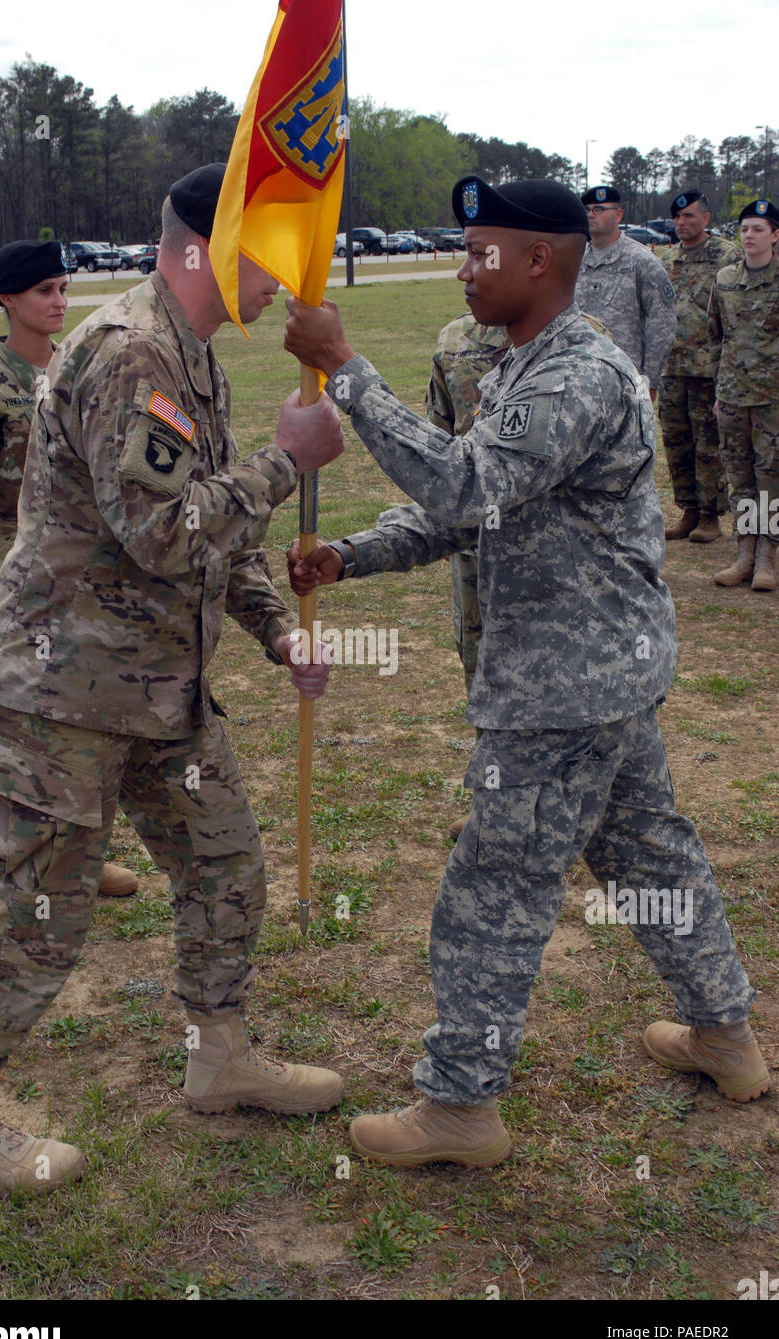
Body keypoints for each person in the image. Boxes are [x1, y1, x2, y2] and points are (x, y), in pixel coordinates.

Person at [284, 176, 769, 1170]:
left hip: (561, 687)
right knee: (649, 859)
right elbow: (473, 505)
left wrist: (345, 368)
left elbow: (465, 479)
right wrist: (351, 553)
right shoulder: (528, 366)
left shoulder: (581, 374)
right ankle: (724, 1031)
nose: (464, 270)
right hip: (598, 679)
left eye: (480, 254)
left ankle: (460, 1103)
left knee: (491, 886)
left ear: (538, 261)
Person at [0, 164, 346, 1196]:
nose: (285, 275)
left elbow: (217, 534)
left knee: (226, 865)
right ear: (209, 245)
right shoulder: (128, 350)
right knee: (38, 915)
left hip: (161, 694)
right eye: (269, 248)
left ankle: (220, 1051)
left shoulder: (193, 358)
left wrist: (278, 633)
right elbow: (164, 531)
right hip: (64, 700)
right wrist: (287, 462)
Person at [0, 239, 138, 899]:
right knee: (24, 741)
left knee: (91, 731)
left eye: (62, 287)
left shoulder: (81, 373)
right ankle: (26, 866)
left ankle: (83, 856)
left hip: (86, 589)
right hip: (13, 597)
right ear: (5, 299)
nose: (59, 301)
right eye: (43, 290)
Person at [428, 306, 612, 843]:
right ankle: (499, 803)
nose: (469, 270)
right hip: (476, 542)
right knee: (482, 668)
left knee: (560, 672)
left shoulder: (584, 341)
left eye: (483, 254)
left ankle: (573, 801)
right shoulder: (452, 337)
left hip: (553, 549)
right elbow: (439, 438)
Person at [658, 190, 741, 543]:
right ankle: (688, 510)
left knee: (709, 445)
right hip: (672, 366)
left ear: (705, 219)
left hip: (708, 367)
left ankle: (710, 516)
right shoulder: (667, 259)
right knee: (677, 443)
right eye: (677, 218)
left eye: (689, 216)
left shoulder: (726, 256)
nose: (681, 223)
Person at [709, 199, 779, 592]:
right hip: (734, 397)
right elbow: (717, 336)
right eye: (745, 229)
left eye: (758, 229)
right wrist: (721, 389)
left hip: (773, 400)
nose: (749, 236)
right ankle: (745, 553)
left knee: (771, 481)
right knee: (740, 479)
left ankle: (768, 557)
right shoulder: (724, 280)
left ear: (775, 235)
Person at [575, 185, 676, 398]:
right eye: (588, 210)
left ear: (618, 214)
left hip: (625, 380)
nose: (591, 215)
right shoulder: (574, 260)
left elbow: (661, 325)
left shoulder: (642, 261)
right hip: (579, 378)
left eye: (599, 209)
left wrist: (649, 381)